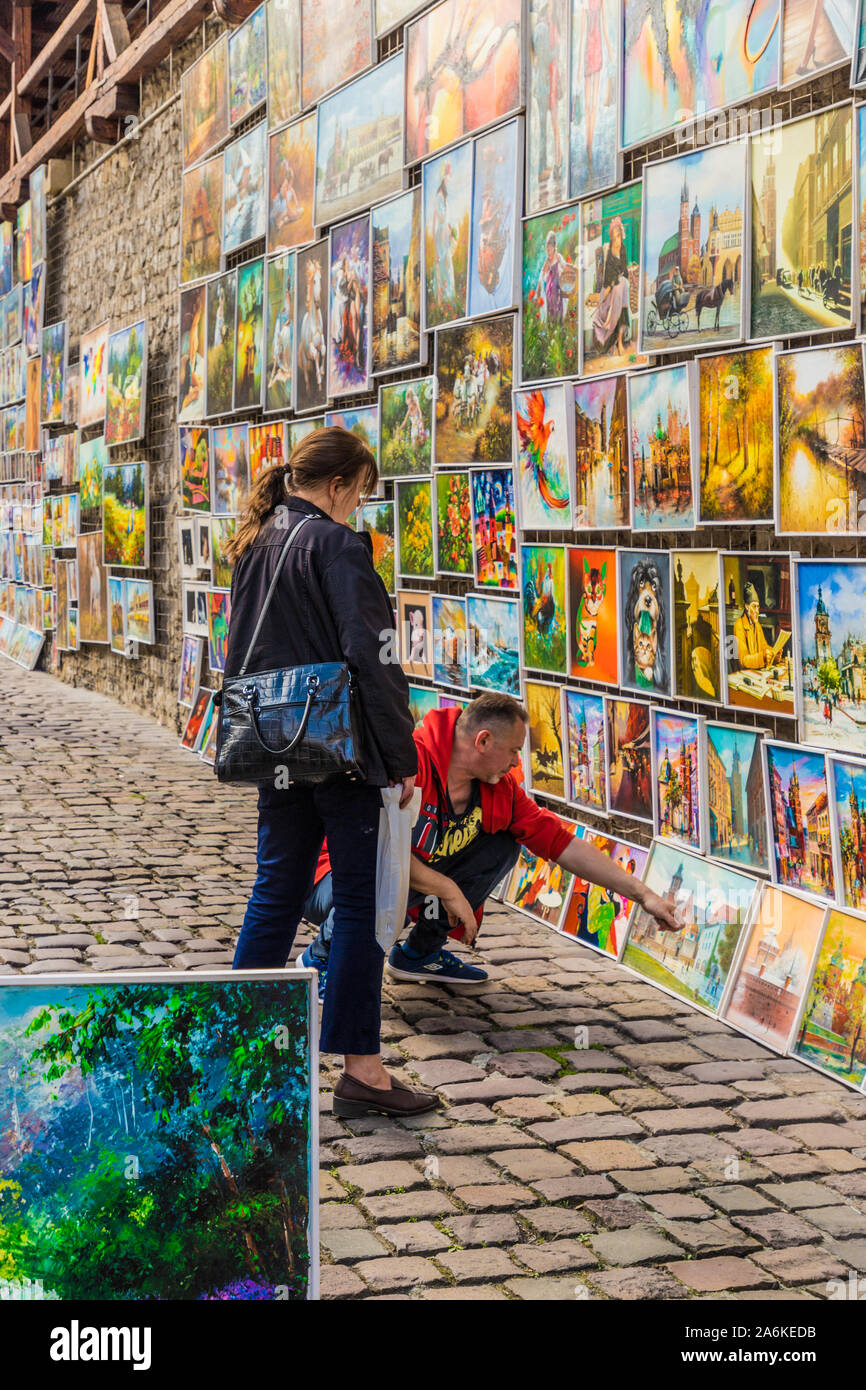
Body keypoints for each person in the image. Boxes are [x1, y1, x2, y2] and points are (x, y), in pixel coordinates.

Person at [224, 427, 437, 1120]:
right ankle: (363, 1070)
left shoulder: (255, 540)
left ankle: (240, 1049)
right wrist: (401, 758)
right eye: (361, 494)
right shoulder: (338, 543)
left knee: (275, 891)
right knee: (357, 906)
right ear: (341, 485)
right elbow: (372, 656)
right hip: (340, 752)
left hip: (274, 747)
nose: (358, 510)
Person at [300, 693, 680, 991]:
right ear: (483, 740)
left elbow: (562, 844)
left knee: (501, 847)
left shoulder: (502, 791)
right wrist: (446, 888)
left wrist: (643, 894)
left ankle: (418, 955)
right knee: (385, 880)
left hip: (398, 886)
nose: (517, 761)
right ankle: (320, 959)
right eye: (514, 749)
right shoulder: (407, 763)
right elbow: (378, 853)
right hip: (336, 882)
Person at [733, 582, 773, 670]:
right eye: (754, 606)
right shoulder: (739, 625)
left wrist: (773, 653)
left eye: (758, 607)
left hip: (757, 672)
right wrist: (762, 657)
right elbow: (743, 660)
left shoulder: (757, 625)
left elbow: (764, 646)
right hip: (744, 676)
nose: (757, 611)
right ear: (747, 607)